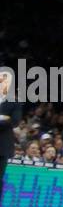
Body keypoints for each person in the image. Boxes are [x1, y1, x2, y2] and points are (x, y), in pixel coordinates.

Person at [0, 67, 21, 196]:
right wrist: (3, 118)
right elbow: (7, 120)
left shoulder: (14, 102)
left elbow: (14, 121)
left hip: (2, 147)